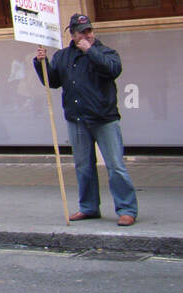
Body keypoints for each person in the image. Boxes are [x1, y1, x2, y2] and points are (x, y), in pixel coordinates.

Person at [34, 15, 138, 226]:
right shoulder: (63, 56)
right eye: (82, 32)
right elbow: (52, 81)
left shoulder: (105, 52)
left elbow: (112, 69)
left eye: (89, 30)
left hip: (104, 118)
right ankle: (89, 207)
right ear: (72, 35)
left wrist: (90, 51)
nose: (87, 35)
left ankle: (126, 209)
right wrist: (40, 63)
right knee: (83, 166)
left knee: (115, 165)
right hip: (77, 119)